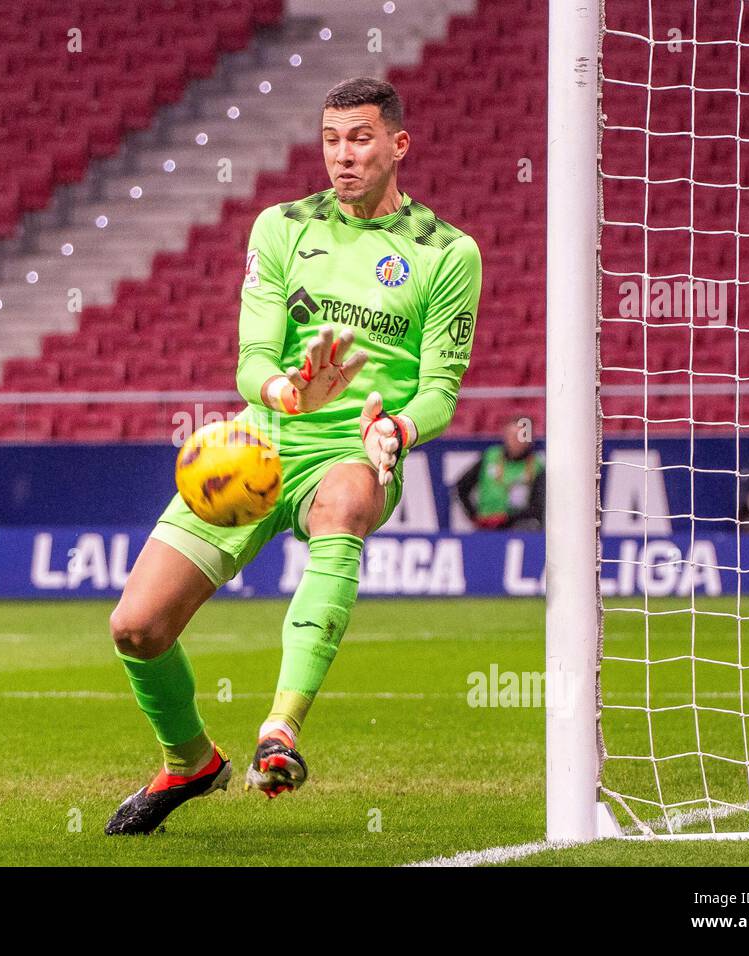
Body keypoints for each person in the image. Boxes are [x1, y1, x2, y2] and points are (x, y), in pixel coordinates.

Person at [104, 77, 481, 834]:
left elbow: (441, 389)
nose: (343, 156)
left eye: (362, 139)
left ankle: (281, 730)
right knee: (136, 627)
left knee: (344, 500)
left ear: (398, 144)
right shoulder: (280, 226)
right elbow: (249, 361)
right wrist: (284, 392)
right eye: (332, 140)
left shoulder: (447, 253)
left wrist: (397, 431)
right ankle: (189, 762)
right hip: (259, 443)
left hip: (354, 447)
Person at [454, 415, 545, 530]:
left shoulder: (537, 466)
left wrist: (508, 519)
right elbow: (461, 487)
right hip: (486, 526)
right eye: (512, 436)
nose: (516, 441)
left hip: (517, 528)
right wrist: (473, 514)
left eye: (521, 436)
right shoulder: (490, 457)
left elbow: (537, 506)